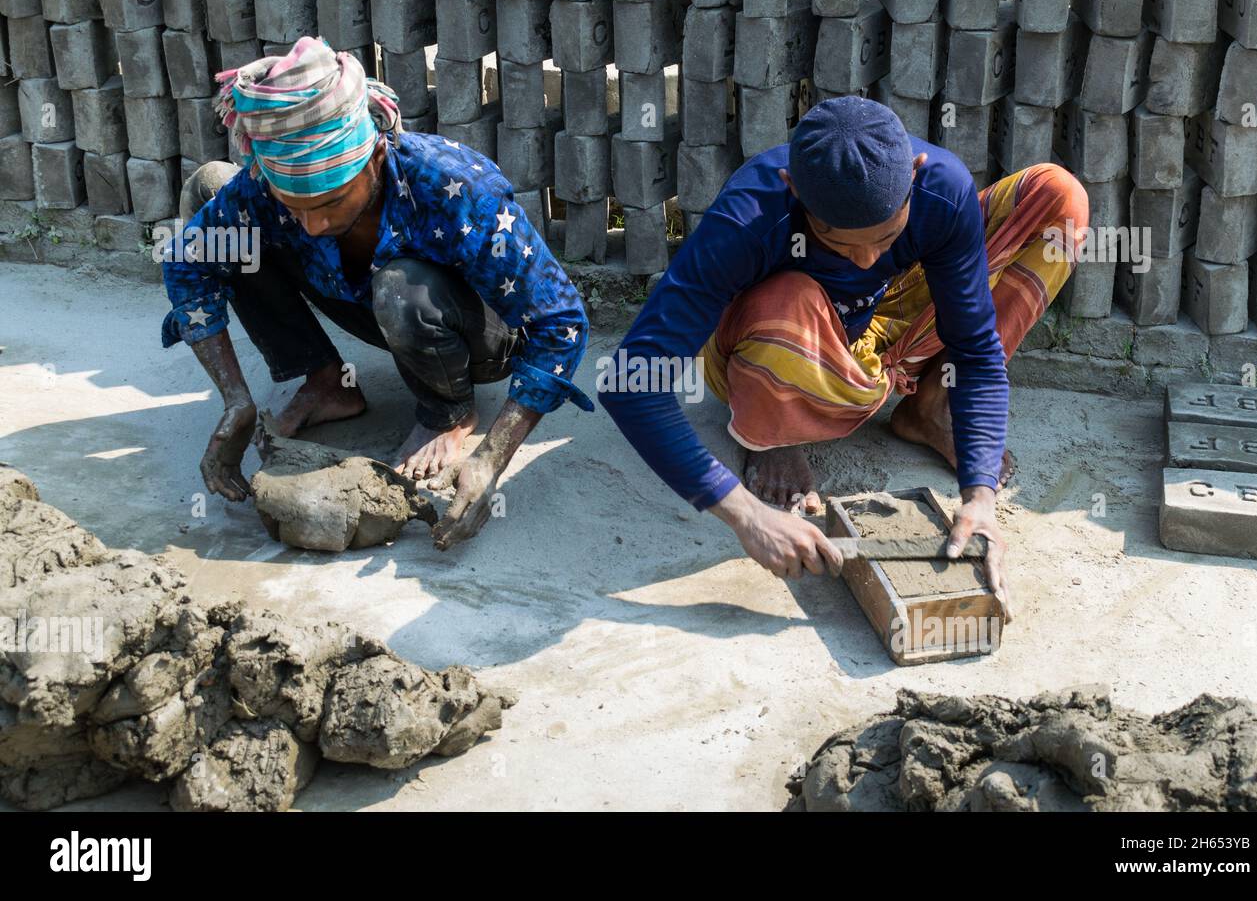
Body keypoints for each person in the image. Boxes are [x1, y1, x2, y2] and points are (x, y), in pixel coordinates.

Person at [600, 96, 1090, 618]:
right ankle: (770, 429)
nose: (865, 258)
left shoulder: (939, 187)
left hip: (880, 314)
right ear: (794, 191)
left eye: (886, 236)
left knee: (1058, 197)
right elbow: (631, 382)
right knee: (788, 300)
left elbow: (975, 347)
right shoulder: (749, 216)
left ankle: (928, 409)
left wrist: (980, 498)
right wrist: (745, 515)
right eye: (835, 240)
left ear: (915, 174)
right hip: (775, 337)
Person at [160, 36, 591, 548]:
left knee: (397, 288)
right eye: (295, 205)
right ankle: (326, 381)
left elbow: (560, 323)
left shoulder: (452, 188)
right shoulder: (263, 190)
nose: (314, 225)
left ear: (375, 158)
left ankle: (449, 412)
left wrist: (491, 458)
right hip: (366, 303)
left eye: (332, 202)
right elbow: (190, 259)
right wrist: (235, 399)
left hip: (474, 333)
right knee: (212, 190)